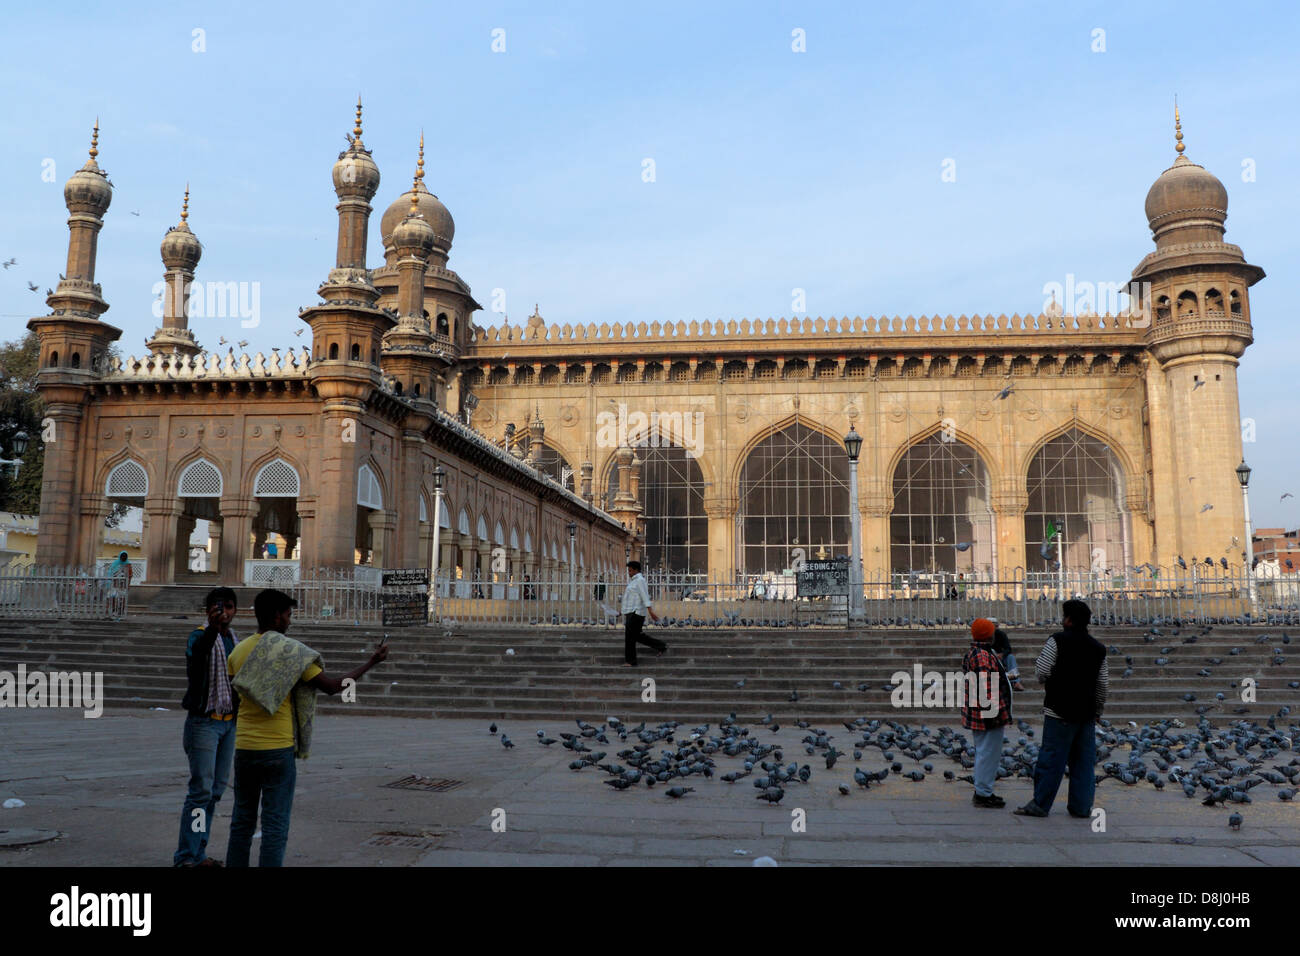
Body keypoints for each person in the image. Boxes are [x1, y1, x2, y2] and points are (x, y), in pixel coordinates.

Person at [224, 588, 388, 867]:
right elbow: (335, 687)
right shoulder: (293, 653)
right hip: (278, 749)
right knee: (275, 824)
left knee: (242, 821)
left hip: (245, 748)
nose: (290, 621)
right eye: (288, 615)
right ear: (276, 617)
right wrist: (372, 662)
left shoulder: (237, 652)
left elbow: (234, 702)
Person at [1014, 599, 1109, 819]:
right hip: (1085, 714)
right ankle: (1081, 807)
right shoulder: (1098, 648)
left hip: (1059, 711)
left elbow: (1041, 671)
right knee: (1084, 763)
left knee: (1051, 760)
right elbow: (1103, 684)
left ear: (1068, 619)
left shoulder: (1056, 641)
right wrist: (1098, 711)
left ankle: (1040, 804)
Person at [174, 587, 240, 867]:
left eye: (228, 606)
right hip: (204, 723)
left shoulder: (233, 640)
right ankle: (187, 857)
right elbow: (197, 660)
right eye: (218, 606)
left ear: (236, 610)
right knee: (200, 792)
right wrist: (212, 629)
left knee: (213, 792)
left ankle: (199, 851)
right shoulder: (199, 636)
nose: (224, 611)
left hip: (228, 723)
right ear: (208, 610)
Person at [961, 618, 1013, 808]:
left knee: (986, 752)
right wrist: (993, 714)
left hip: (983, 712)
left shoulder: (977, 652)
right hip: (988, 713)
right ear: (988, 635)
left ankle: (984, 791)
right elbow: (985, 686)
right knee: (988, 753)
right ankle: (983, 794)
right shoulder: (982, 655)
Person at [621, 560, 665, 666]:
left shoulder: (640, 580)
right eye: (628, 570)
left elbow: (645, 596)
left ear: (636, 570)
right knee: (637, 636)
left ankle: (630, 661)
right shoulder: (633, 581)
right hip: (631, 612)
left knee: (630, 638)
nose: (629, 573)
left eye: (630, 570)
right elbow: (629, 599)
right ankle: (661, 646)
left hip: (636, 613)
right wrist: (622, 611)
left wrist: (651, 611)